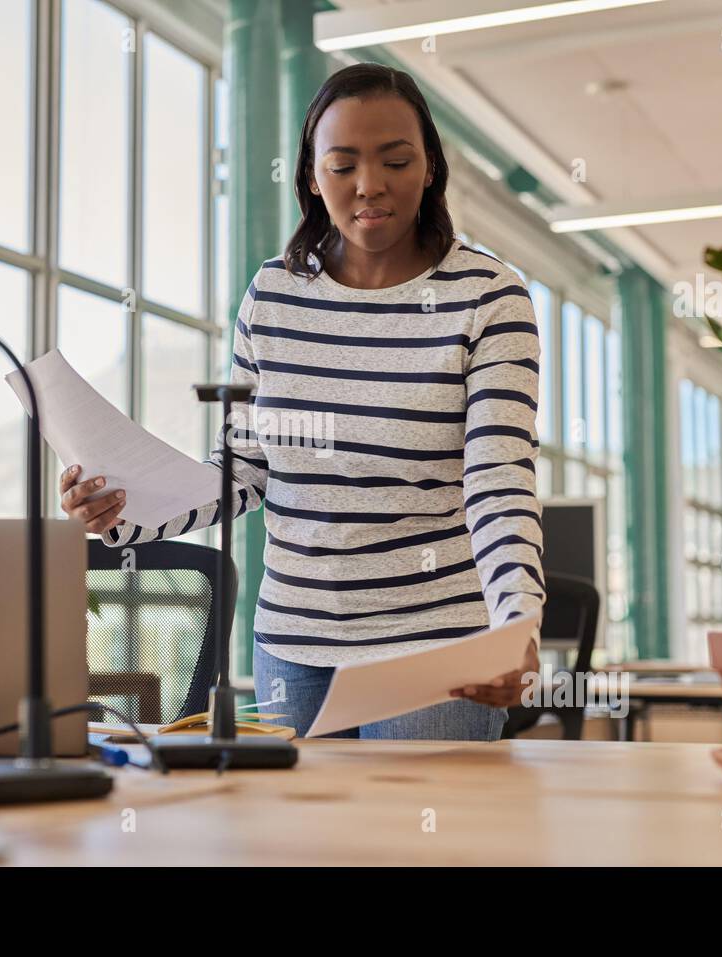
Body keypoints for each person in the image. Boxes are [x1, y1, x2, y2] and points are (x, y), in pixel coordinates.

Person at [61, 62, 543, 740]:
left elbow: (496, 481)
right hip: (291, 645)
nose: (370, 185)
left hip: (433, 645)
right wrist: (125, 510)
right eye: (342, 165)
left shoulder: (488, 297)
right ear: (312, 178)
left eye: (396, 160)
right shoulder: (272, 295)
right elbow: (244, 470)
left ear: (430, 167)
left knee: (416, 844)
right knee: (298, 839)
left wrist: (517, 621)